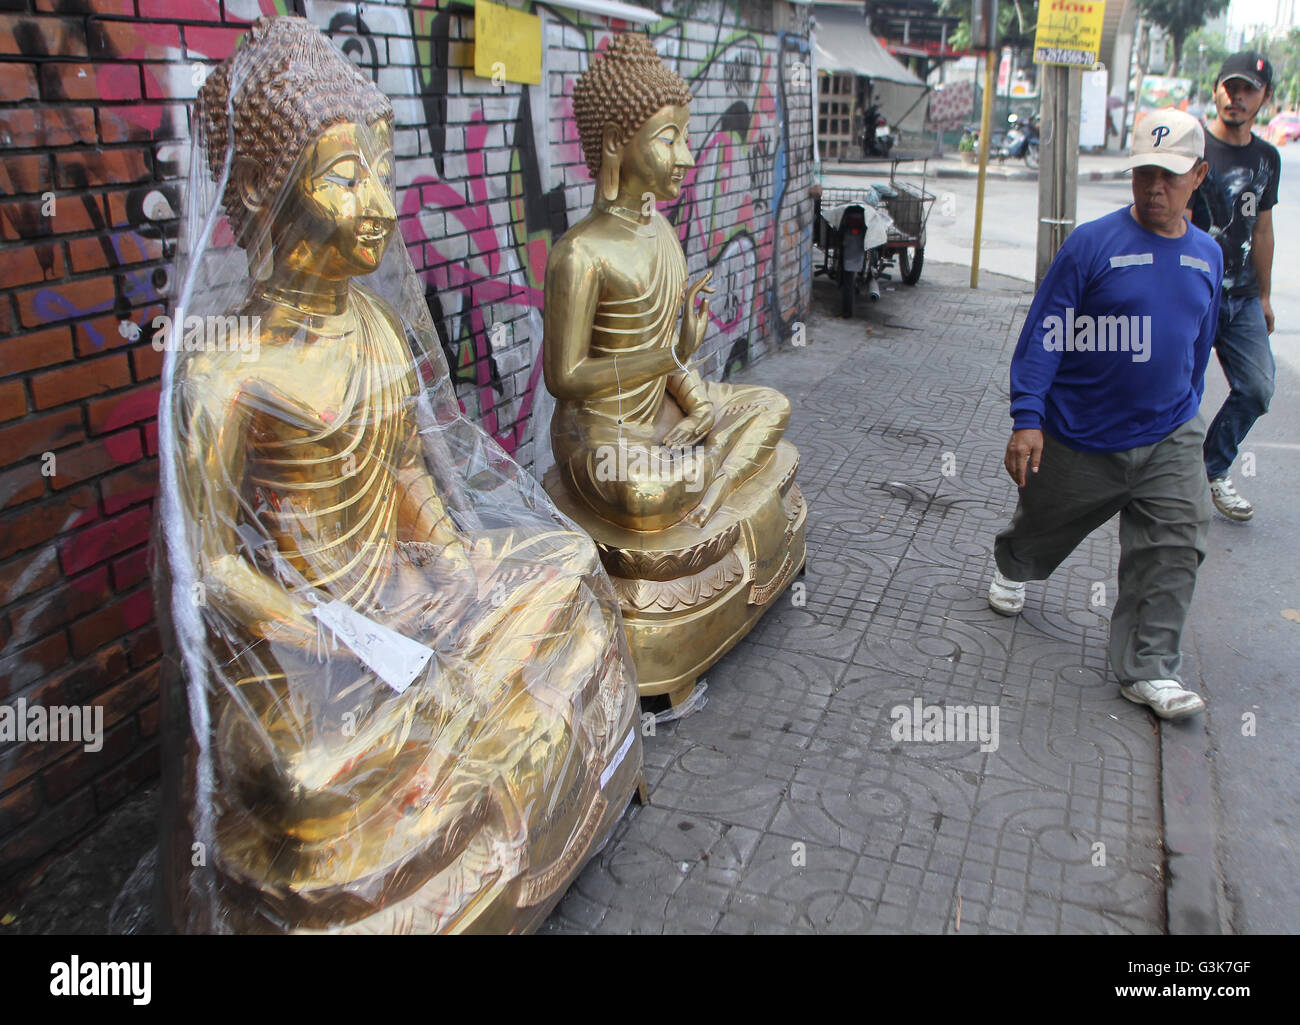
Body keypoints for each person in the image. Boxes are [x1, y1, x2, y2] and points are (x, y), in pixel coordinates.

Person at [987, 108, 1223, 720]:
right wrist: (1027, 417)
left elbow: (1199, 345)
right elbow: (1045, 335)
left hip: (1170, 430)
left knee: (1176, 541)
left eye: (1169, 177)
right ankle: (1016, 563)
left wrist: (1185, 410)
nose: (1154, 188)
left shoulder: (1206, 255)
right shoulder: (1091, 245)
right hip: (1082, 434)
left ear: (1198, 176)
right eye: (1144, 173)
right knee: (1044, 519)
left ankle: (1149, 669)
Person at [1189, 51, 1281, 521]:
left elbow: (1262, 230)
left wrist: (1264, 295)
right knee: (1176, 390)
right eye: (1229, 86)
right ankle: (1157, 482)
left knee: (1258, 388)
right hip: (1193, 293)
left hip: (1242, 297)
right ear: (1216, 90)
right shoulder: (1193, 146)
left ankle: (1212, 467)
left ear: (1264, 97)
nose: (1236, 97)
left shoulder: (1268, 158)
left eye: (1247, 90)